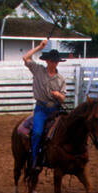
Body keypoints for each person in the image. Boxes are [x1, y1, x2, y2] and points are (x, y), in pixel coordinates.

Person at [22, 38, 66, 169]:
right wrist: (39, 47)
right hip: (41, 108)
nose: (54, 64)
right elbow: (25, 57)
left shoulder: (61, 79)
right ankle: (35, 159)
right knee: (36, 133)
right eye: (52, 61)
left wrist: (59, 95)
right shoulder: (38, 70)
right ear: (47, 61)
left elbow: (63, 98)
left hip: (55, 109)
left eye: (56, 62)